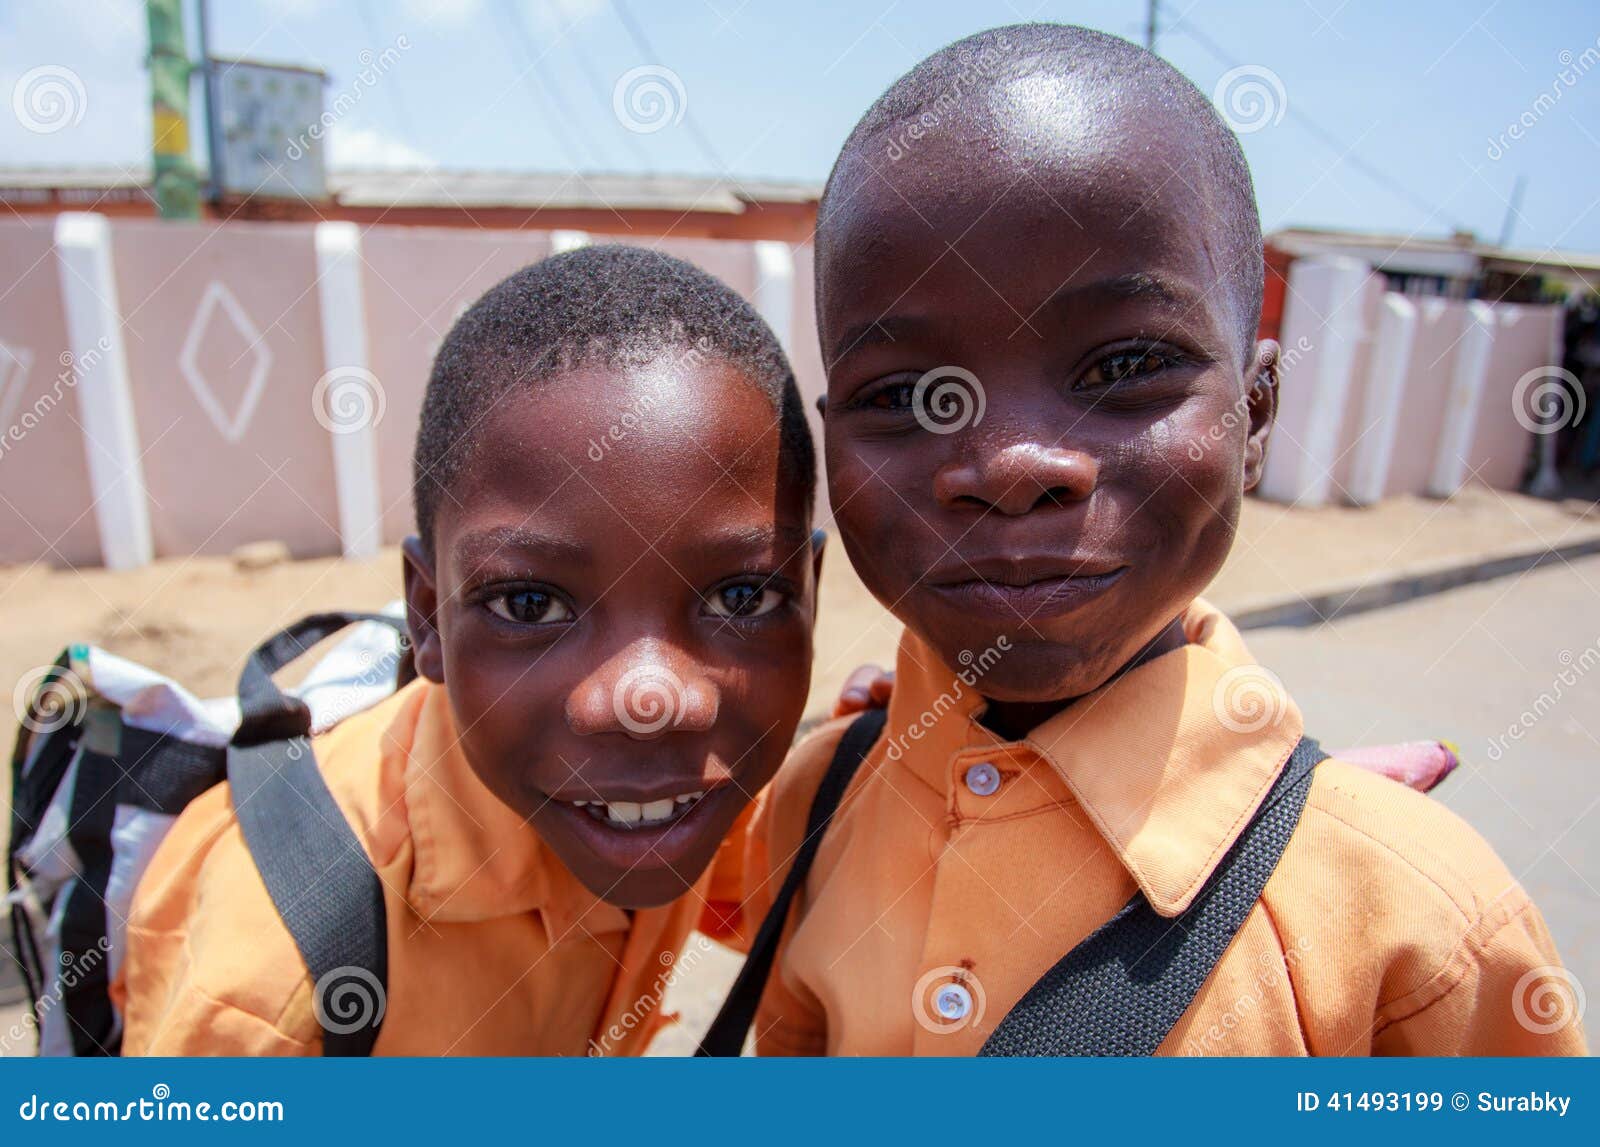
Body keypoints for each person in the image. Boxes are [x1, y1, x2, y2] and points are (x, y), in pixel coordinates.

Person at [742, 24, 1587, 1056]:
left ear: (1256, 419)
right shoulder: (818, 800)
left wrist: (1339, 855)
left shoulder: (1414, 926)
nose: (1011, 464)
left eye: (1124, 364)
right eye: (910, 394)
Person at [116, 245, 825, 1054]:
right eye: (530, 603)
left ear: (810, 587)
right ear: (428, 617)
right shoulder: (271, 1002)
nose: (648, 701)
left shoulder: (666, 799)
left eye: (742, 597)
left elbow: (799, 884)